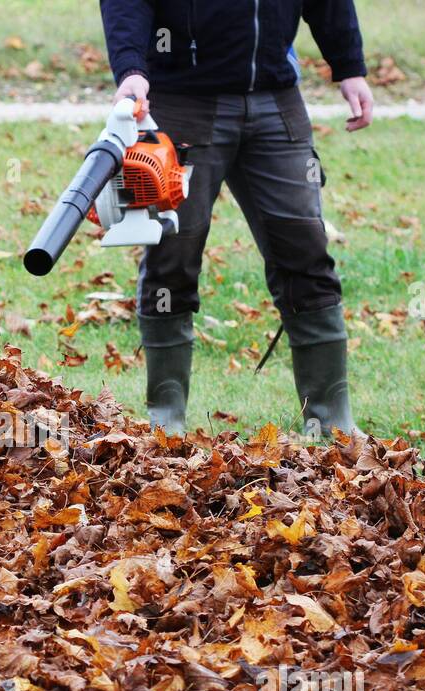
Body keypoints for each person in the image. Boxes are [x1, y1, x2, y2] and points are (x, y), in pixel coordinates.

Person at [99, 0, 374, 437]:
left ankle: (331, 424)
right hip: (183, 103)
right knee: (172, 254)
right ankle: (165, 424)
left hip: (276, 102)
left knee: (306, 253)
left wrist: (348, 66)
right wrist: (131, 68)